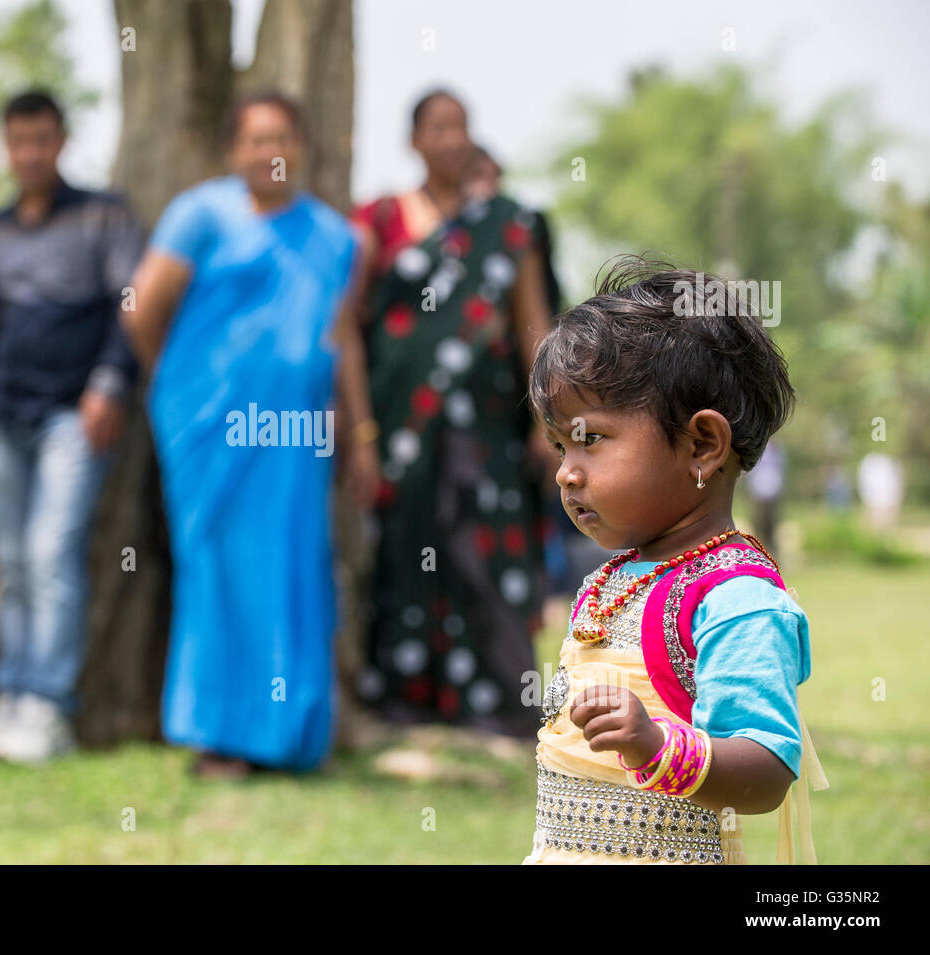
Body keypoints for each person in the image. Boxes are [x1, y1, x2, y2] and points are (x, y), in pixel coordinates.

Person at [523, 258, 827, 865]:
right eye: (560, 445)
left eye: (591, 439)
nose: (566, 471)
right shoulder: (612, 577)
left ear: (702, 446)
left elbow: (766, 770)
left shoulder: (735, 598)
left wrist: (657, 745)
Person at [122, 90, 379, 777]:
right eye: (256, 140)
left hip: (297, 437)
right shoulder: (199, 215)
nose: (271, 152)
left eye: (283, 138)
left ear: (304, 146)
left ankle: (290, 734)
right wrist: (185, 389)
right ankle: (217, 735)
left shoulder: (335, 236)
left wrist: (362, 434)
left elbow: (343, 337)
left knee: (290, 568)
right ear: (233, 151)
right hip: (208, 431)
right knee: (216, 571)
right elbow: (143, 309)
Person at [349, 90, 556, 737]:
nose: (450, 139)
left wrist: (548, 421)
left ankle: (501, 703)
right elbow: (347, 327)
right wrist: (358, 430)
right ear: (413, 140)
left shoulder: (507, 225)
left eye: (460, 127)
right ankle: (408, 697)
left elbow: (533, 323)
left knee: (487, 548)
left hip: (486, 422)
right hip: (402, 424)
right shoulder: (379, 220)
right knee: (407, 548)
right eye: (437, 127)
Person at [0, 90, 143, 763]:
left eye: (42, 139)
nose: (30, 153)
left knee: (50, 553)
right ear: (6, 147)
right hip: (8, 416)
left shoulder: (103, 214)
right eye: (18, 141)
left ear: (61, 141)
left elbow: (132, 304)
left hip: (75, 415)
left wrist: (110, 385)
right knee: (10, 559)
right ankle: (11, 692)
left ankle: (48, 704)